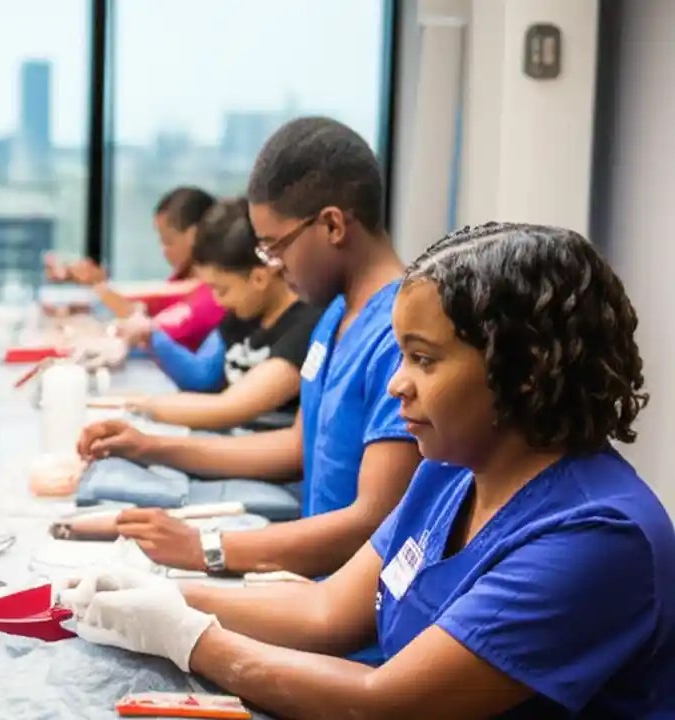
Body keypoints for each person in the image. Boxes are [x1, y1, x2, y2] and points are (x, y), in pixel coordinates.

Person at [62, 223, 675, 719]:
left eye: (423, 360)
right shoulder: (452, 472)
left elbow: (383, 703)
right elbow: (327, 611)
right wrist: (165, 594)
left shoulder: (598, 538)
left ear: (526, 370)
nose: (395, 385)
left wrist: (188, 636)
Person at [79, 117, 421, 581]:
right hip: (306, 579)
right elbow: (296, 447)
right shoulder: (334, 315)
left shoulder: (403, 337)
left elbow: (372, 522)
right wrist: (151, 446)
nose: (273, 266)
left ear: (333, 225)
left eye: (274, 247)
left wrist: (208, 547)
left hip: (351, 608)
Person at [121, 196, 323, 424]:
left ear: (259, 277)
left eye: (222, 289)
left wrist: (142, 406)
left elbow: (227, 407)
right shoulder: (240, 317)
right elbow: (203, 378)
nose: (217, 301)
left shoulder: (307, 329)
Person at [47, 186, 224, 352]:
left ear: (194, 235)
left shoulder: (210, 292)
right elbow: (142, 308)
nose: (164, 250)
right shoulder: (181, 277)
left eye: (168, 241)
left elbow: (149, 329)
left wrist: (99, 286)